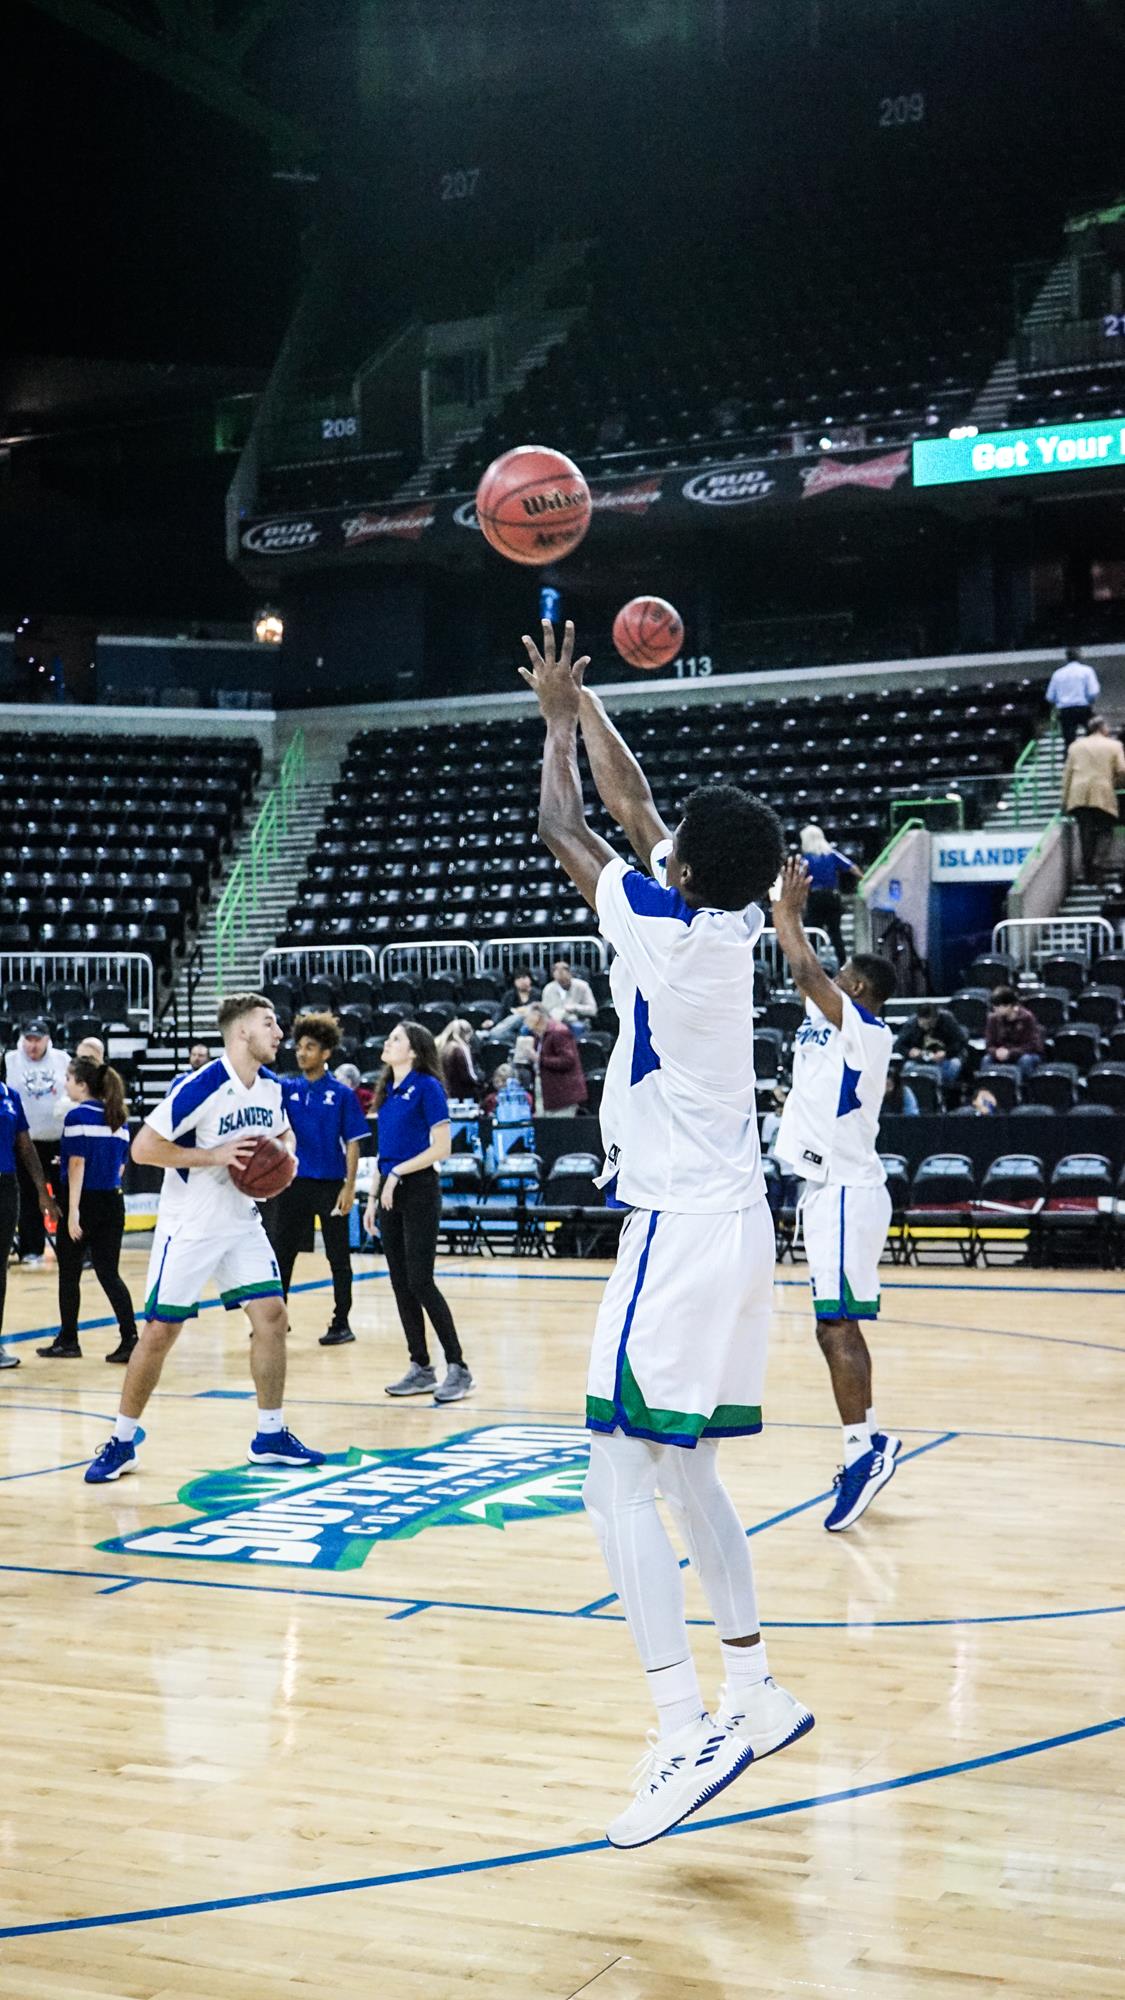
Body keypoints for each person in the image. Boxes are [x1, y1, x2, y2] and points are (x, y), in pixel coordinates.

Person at [519, 617, 811, 1850]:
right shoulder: (730, 918)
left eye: (676, 846)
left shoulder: (668, 930)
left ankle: (683, 1722)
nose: (665, 840)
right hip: (736, 1224)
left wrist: (550, 727)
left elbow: (570, 828)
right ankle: (752, 1689)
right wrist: (588, 709)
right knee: (689, 1470)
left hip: (679, 1231)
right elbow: (639, 811)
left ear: (684, 873)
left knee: (613, 1483)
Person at [82, 993, 325, 1484]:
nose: (280, 1033)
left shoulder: (271, 1087)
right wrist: (218, 1157)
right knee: (160, 1331)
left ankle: (270, 1434)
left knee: (273, 1317)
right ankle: (122, 1440)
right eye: (270, 1023)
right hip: (190, 1224)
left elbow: (286, 1136)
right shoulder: (202, 1084)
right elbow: (145, 1147)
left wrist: (286, 1156)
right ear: (242, 1032)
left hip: (240, 1220)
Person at [772, 859, 902, 1531]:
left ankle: (862, 1452)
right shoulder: (825, 1021)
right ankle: (870, 1440)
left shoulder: (866, 1031)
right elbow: (805, 976)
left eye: (841, 980)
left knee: (835, 1324)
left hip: (846, 1189)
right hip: (823, 1188)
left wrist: (787, 913)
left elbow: (804, 971)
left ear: (855, 988)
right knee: (830, 1327)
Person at [365, 1021, 474, 1405]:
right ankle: (421, 1366)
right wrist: (372, 1196)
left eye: (395, 1038)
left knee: (420, 1279)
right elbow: (385, 1152)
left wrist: (397, 1173)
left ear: (413, 1050)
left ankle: (458, 1367)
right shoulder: (389, 1092)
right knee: (400, 1281)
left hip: (420, 1188)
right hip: (390, 1190)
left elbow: (441, 1148)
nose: (387, 1042)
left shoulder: (428, 1087)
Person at [265, 1012, 368, 1347]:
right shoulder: (286, 1088)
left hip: (330, 1185)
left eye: (310, 1047)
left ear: (326, 1054)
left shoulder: (341, 1094)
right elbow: (258, 1073)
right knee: (283, 1253)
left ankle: (341, 1322)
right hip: (293, 1185)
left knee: (338, 1256)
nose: (301, 1052)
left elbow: (353, 1142)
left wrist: (349, 1187)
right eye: (299, 1047)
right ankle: (277, 1320)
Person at [37, 1057, 137, 1364]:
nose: (65, 1085)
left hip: (84, 1202)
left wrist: (74, 1211)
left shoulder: (77, 1115)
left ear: (82, 1085)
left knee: (69, 1274)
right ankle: (130, 1337)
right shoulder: (118, 1118)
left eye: (68, 1079)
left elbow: (79, 1164)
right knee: (109, 1273)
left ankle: (69, 1339)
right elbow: (118, 1167)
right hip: (112, 1201)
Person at [0, 1076, 59, 1369]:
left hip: (5, 1185)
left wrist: (41, 1190)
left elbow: (25, 1146)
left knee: (0, 1267)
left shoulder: (10, 1096)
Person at [4, 1018, 69, 1263]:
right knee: (28, 1194)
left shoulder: (62, 1059)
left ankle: (69, 1247)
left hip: (57, 1140)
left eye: (37, 1040)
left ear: (47, 1040)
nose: (33, 1046)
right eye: (28, 1040)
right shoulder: (9, 1061)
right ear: (22, 1039)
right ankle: (32, 1249)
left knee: (63, 1194)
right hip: (22, 1140)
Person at [1061, 715, 1125, 882]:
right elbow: (1122, 770)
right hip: (1102, 793)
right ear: (1102, 729)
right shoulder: (1114, 745)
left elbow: (1067, 775)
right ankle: (1099, 861)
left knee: (1085, 834)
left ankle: (1088, 871)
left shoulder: (1075, 746)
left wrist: (1064, 800)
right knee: (1106, 830)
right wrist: (1116, 784)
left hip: (1078, 794)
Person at [799, 825, 862, 967]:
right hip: (832, 896)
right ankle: (843, 964)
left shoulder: (806, 859)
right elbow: (853, 868)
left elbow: (801, 879)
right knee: (836, 933)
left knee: (814, 934)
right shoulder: (832, 855)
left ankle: (811, 966)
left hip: (815, 897)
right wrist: (863, 882)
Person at [526, 1002, 588, 1117]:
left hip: (563, 1096)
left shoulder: (558, 1032)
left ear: (537, 1016)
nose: (525, 1022)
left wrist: (540, 1059)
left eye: (527, 1017)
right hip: (546, 1094)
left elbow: (568, 1060)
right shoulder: (539, 1035)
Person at [894, 1001, 967, 1095]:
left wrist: (946, 1053)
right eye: (924, 1023)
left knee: (954, 1065)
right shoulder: (911, 1024)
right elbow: (898, 1045)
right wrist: (909, 1052)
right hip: (919, 1060)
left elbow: (961, 1041)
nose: (927, 1027)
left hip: (944, 1059)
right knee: (908, 1067)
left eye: (930, 1023)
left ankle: (944, 1093)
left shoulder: (947, 1020)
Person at [982, 987, 1045, 1081]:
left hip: (1024, 1054)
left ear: (1009, 1006)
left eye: (998, 1006)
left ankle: (1024, 1089)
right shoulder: (993, 1019)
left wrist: (1010, 1053)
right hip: (1001, 1054)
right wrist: (996, 1052)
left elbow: (1033, 1045)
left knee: (1025, 1060)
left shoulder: (1027, 1018)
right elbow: (989, 1044)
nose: (995, 1009)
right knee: (986, 1060)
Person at [1046, 648, 1100, 749]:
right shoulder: (1087, 671)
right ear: (1080, 656)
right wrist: (1090, 701)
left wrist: (1059, 702)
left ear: (1066, 658)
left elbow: (1050, 696)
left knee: (1069, 741)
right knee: (1092, 735)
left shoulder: (1058, 674)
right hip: (1083, 707)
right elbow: (1093, 691)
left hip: (1065, 710)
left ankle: (1070, 761)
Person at [540, 957, 598, 1032]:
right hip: (554, 1021)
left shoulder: (582, 986)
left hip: (578, 1020)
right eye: (560, 982)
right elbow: (545, 1011)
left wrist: (574, 1008)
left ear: (570, 974)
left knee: (577, 1026)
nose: (563, 983)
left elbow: (593, 1010)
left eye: (565, 980)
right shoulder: (548, 989)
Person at [435, 1018, 483, 1101]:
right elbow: (468, 1075)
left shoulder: (440, 1047)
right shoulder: (460, 1049)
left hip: (443, 1092)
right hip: (460, 1094)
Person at [489, 967, 542, 1044]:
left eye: (524, 977)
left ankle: (490, 1034)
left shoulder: (538, 994)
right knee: (515, 1018)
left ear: (530, 979)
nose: (521, 981)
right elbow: (501, 1011)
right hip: (511, 1029)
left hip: (531, 1026)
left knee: (521, 1016)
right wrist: (493, 1021)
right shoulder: (509, 995)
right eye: (518, 978)